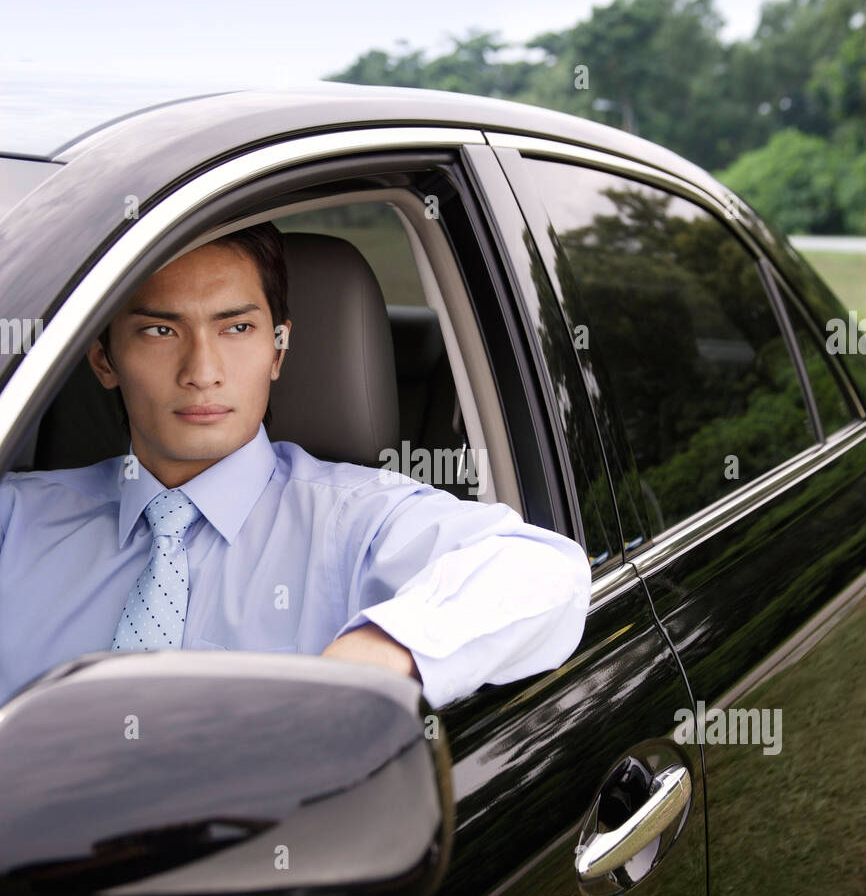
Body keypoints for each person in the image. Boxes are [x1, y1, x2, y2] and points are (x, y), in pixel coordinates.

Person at [0, 223, 591, 709]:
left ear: (278, 348)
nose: (202, 370)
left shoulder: (355, 522)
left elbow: (544, 568)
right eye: (160, 329)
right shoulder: (15, 519)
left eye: (236, 328)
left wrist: (379, 653)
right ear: (104, 359)